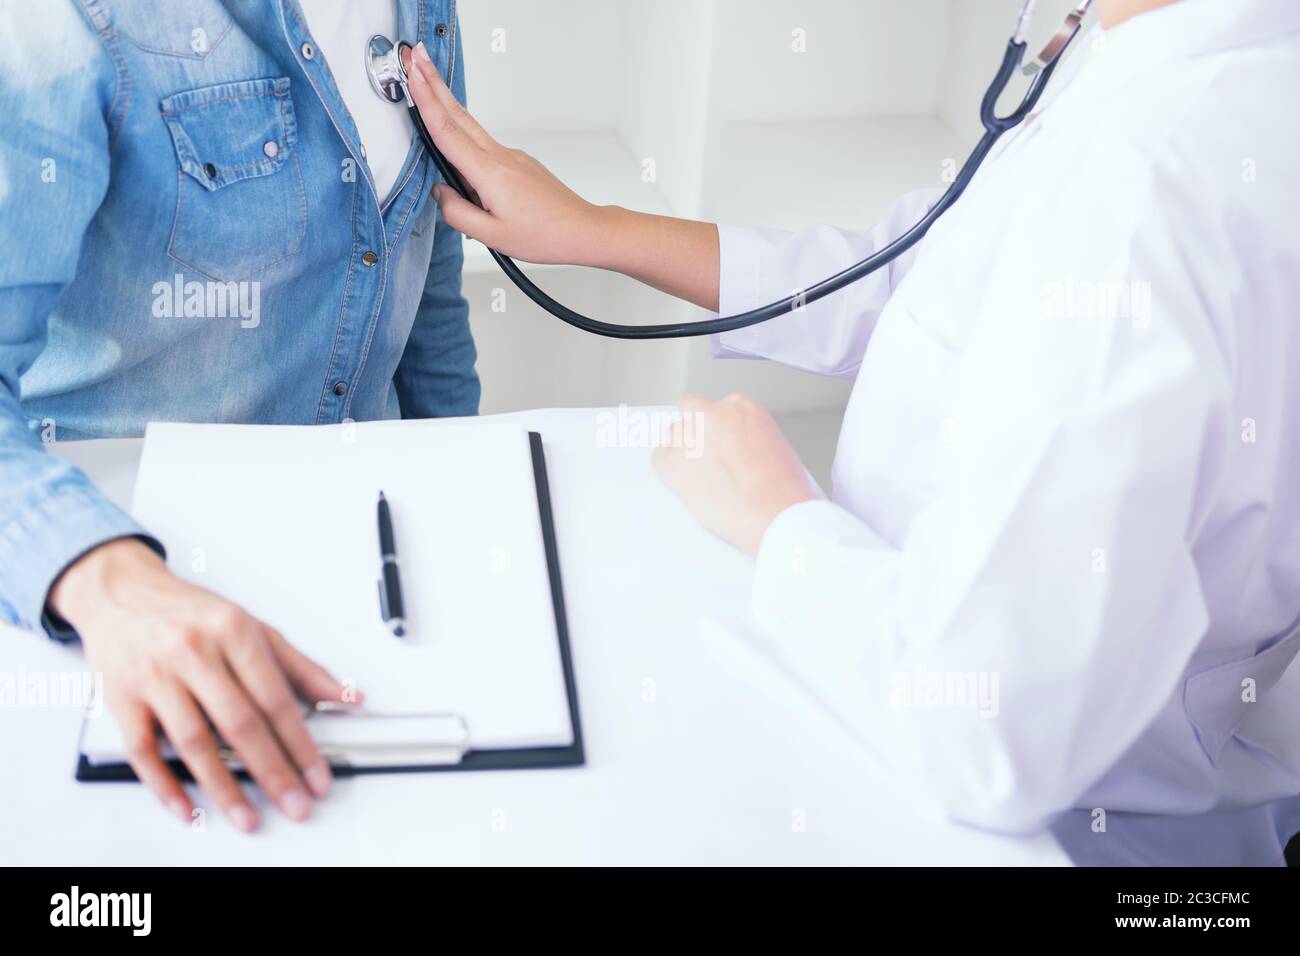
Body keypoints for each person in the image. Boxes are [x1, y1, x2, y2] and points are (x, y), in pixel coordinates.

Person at [401, 0, 1300, 865]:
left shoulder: (1148, 191)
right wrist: (597, 231)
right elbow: (910, 275)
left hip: (1028, 830)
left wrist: (776, 516)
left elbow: (986, 726)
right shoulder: (1177, 68)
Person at [0, 1, 470, 831]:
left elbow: (429, 268)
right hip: (126, 609)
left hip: (371, 588)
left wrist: (468, 498)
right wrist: (105, 580)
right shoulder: (55, 23)